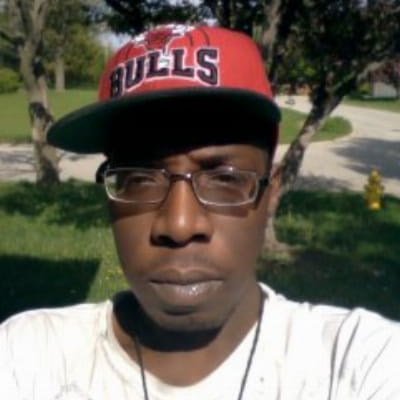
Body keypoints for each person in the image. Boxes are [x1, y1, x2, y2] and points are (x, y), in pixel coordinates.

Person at [1, 24, 399, 400]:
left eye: (225, 179)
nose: (178, 225)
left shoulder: (357, 362)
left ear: (270, 195)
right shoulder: (30, 357)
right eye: (138, 179)